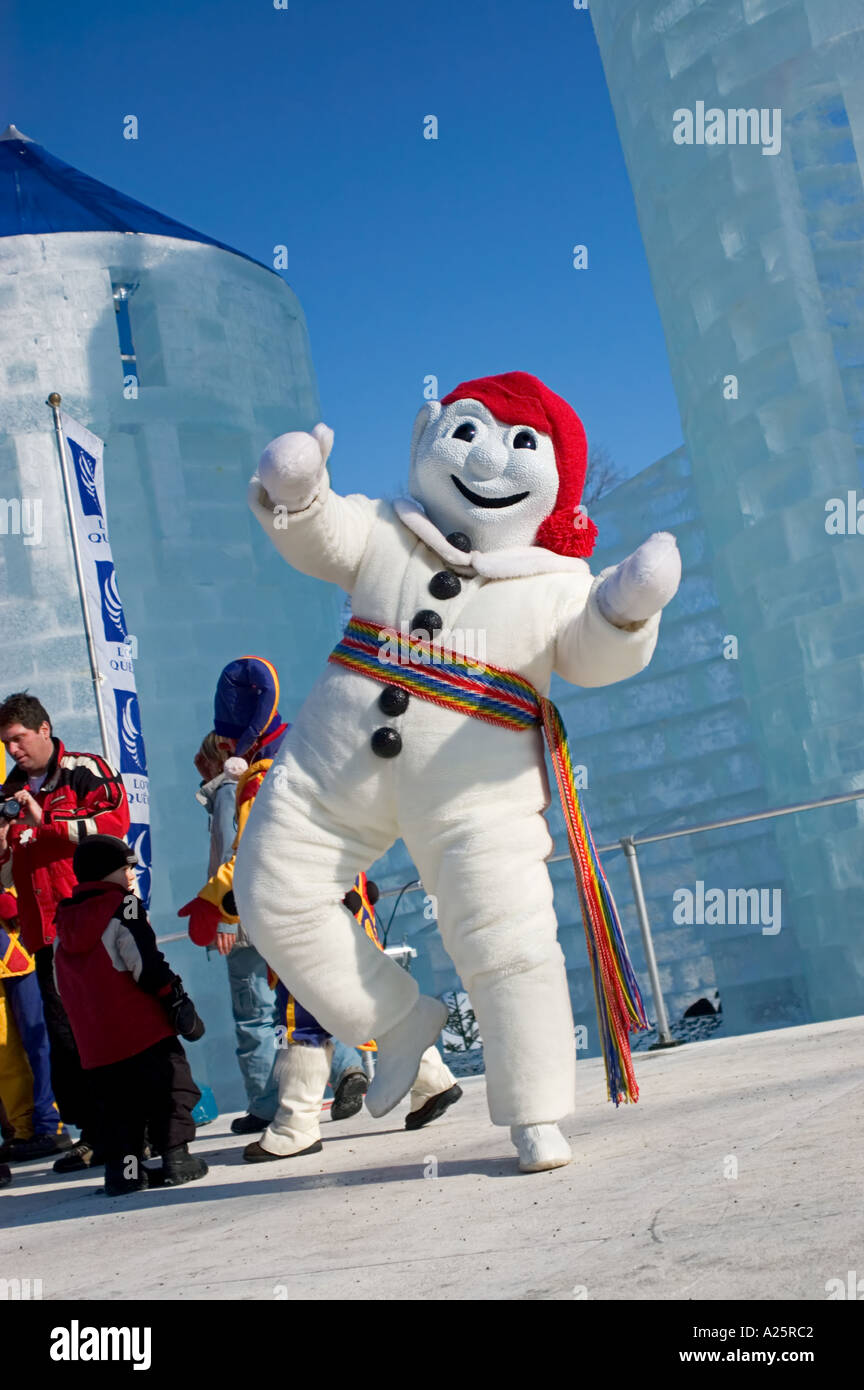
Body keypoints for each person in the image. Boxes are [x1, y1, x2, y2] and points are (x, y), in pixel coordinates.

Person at [233, 371, 679, 1172]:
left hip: (478, 795)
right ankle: (400, 1024)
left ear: (556, 485)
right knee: (271, 893)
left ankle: (536, 1112)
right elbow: (322, 533)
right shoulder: (387, 531)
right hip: (331, 773)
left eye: (520, 447)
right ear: (430, 436)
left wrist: (626, 611)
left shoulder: (556, 585)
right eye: (467, 432)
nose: (486, 461)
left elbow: (589, 651)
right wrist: (298, 490)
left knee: (507, 943)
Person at [181, 660, 369, 1131]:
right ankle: (353, 1070)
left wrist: (222, 914)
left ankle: (273, 1107)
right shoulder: (291, 763)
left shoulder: (232, 790)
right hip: (296, 904)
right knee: (312, 997)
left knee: (258, 1019)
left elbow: (239, 853)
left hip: (248, 918)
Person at [244, 873, 461, 1162]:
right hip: (337, 900)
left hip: (307, 909)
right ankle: (432, 1078)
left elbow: (264, 849)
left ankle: (295, 1125)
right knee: (370, 999)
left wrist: (217, 898)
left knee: (302, 1016)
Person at [0, 692, 129, 1171]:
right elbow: (7, 876)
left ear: (44, 729)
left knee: (114, 1026)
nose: (13, 750)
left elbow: (115, 826)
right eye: (6, 743)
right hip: (46, 939)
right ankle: (94, 1132)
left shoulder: (84, 769)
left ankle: (138, 1128)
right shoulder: (6, 793)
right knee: (65, 1039)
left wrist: (47, 820)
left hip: (98, 925)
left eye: (18, 739)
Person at [53, 835, 207, 1196]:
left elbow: (61, 986)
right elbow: (147, 964)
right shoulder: (126, 907)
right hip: (142, 1031)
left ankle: (125, 1173)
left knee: (117, 1108)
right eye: (126, 868)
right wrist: (176, 998)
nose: (131, 875)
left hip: (96, 1044)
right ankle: (175, 1159)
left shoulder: (64, 919)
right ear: (108, 873)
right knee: (170, 1088)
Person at [0, 890, 64, 1162]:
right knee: (4, 1053)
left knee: (38, 1042)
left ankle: (51, 1124)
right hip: (9, 948)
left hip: (20, 948)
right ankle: (22, 1130)